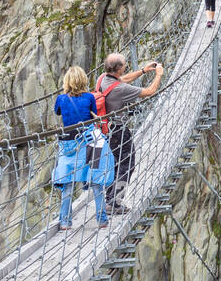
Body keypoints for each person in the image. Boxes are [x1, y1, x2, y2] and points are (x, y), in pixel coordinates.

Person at [94, 54, 163, 213]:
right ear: (118, 69)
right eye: (124, 65)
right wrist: (158, 74)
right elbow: (150, 91)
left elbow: (123, 79)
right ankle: (115, 203)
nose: (125, 67)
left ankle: (110, 199)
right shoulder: (120, 89)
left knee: (116, 164)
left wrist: (143, 71)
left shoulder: (102, 78)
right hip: (119, 131)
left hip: (105, 129)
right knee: (127, 164)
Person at [52, 66, 114, 230]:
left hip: (69, 145)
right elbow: (92, 113)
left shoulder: (61, 99)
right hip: (90, 141)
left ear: (67, 81)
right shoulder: (89, 97)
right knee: (96, 182)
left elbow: (58, 112)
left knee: (67, 184)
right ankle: (102, 220)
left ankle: (65, 222)